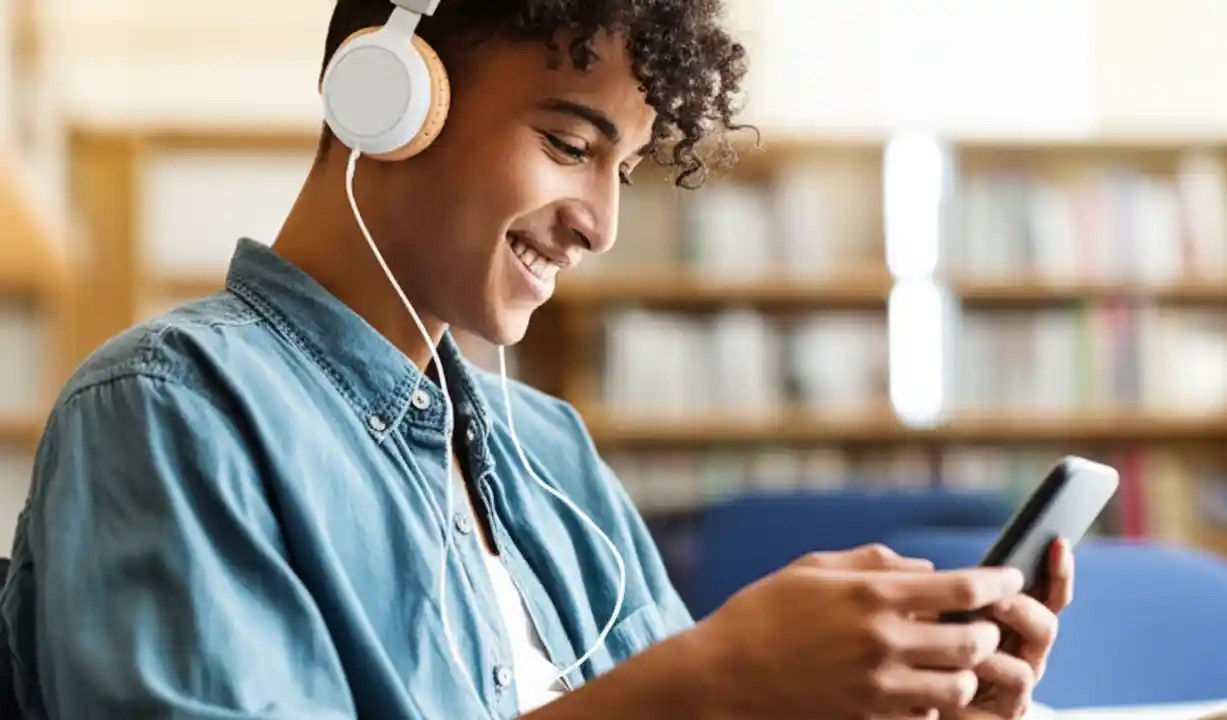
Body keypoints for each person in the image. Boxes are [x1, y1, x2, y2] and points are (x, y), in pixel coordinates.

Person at [0, 1, 1072, 718]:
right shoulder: (172, 410)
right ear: (386, 97)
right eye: (567, 146)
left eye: (627, 168)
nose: (599, 223)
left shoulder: (548, 450)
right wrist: (707, 682)